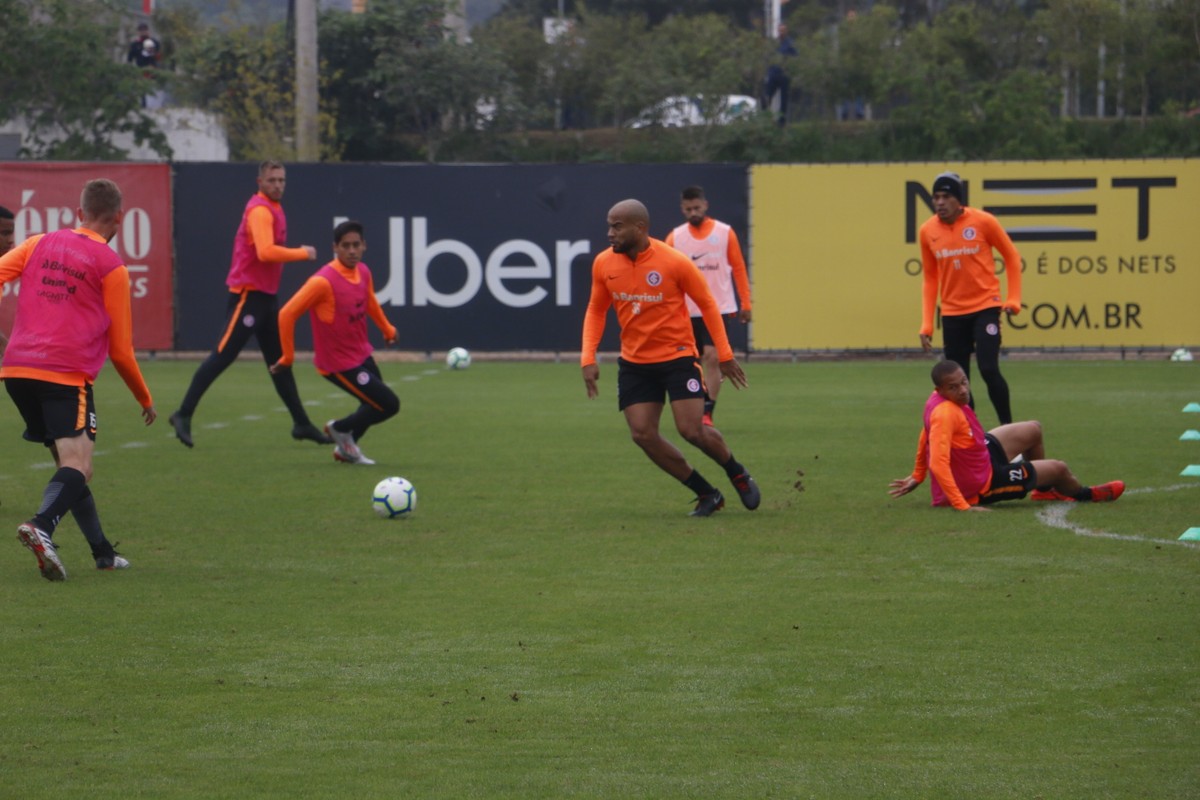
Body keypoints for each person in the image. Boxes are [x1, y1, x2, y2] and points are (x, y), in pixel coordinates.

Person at [0, 179, 157, 580]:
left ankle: (103, 553)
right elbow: (121, 351)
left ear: (78, 213)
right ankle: (41, 525)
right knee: (80, 466)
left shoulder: (38, 243)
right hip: (64, 375)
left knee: (68, 467)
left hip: (16, 371)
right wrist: (144, 397)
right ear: (119, 218)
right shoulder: (112, 267)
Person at [581, 199, 761, 517]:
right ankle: (707, 494)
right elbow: (596, 309)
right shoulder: (603, 263)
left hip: (677, 358)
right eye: (609, 225)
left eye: (617, 226)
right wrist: (588, 358)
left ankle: (736, 472)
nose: (610, 233)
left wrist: (725, 354)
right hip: (635, 363)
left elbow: (707, 304)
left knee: (692, 430)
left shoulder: (674, 262)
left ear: (640, 228)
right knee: (642, 434)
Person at [169, 161, 331, 449]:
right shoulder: (259, 210)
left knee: (279, 363)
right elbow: (266, 253)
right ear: (260, 181)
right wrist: (302, 253)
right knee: (222, 355)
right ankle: (183, 413)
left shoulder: (274, 208)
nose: (278, 185)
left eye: (282, 180)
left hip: (266, 298)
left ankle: (301, 423)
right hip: (248, 296)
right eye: (272, 180)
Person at [888, 360, 1124, 511]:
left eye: (964, 382)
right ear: (941, 390)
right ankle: (1085, 495)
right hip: (982, 484)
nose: (962, 390)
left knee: (1033, 429)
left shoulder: (937, 399)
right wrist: (963, 506)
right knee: (1060, 469)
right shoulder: (944, 413)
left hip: (980, 454)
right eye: (954, 387)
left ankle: (1042, 492)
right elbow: (938, 463)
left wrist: (917, 475)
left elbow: (925, 434)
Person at [270, 220, 399, 466]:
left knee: (372, 403)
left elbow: (369, 300)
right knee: (389, 405)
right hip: (338, 364)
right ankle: (339, 428)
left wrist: (387, 329)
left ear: (364, 246)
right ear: (335, 248)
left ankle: (346, 450)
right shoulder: (322, 282)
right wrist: (287, 358)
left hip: (361, 354)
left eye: (356, 245)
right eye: (346, 246)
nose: (352, 251)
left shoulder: (363, 271)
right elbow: (286, 314)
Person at [918, 171, 1023, 425]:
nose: (940, 202)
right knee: (958, 382)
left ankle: (1008, 432)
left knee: (988, 368)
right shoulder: (927, 231)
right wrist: (927, 324)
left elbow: (1012, 257)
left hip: (985, 307)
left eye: (946, 197)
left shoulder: (983, 222)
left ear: (959, 199)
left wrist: (1014, 299)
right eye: (936, 197)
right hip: (953, 314)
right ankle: (975, 436)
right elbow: (930, 279)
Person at [664, 185, 752, 427]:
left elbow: (739, 268)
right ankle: (697, 402)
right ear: (682, 209)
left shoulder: (725, 233)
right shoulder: (675, 238)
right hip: (687, 310)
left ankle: (707, 411)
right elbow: (665, 273)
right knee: (694, 360)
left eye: (697, 207)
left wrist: (745, 301)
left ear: (705, 205)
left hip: (718, 307)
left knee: (713, 357)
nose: (693, 212)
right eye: (688, 208)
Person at [763, 23, 797, 126]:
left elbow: (795, 57)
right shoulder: (774, 43)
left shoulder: (790, 43)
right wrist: (768, 72)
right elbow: (768, 57)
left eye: (783, 30)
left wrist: (790, 69)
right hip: (773, 74)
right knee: (766, 97)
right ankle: (766, 119)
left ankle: (782, 121)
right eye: (780, 30)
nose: (781, 32)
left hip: (784, 75)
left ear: (786, 31)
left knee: (784, 100)